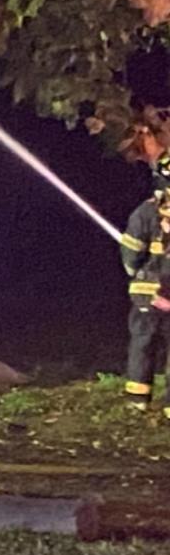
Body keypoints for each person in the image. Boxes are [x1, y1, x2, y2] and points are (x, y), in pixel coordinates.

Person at [117, 156, 170, 418]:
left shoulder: (145, 212)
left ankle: (138, 399)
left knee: (142, 344)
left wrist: (136, 274)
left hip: (146, 293)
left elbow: (130, 254)